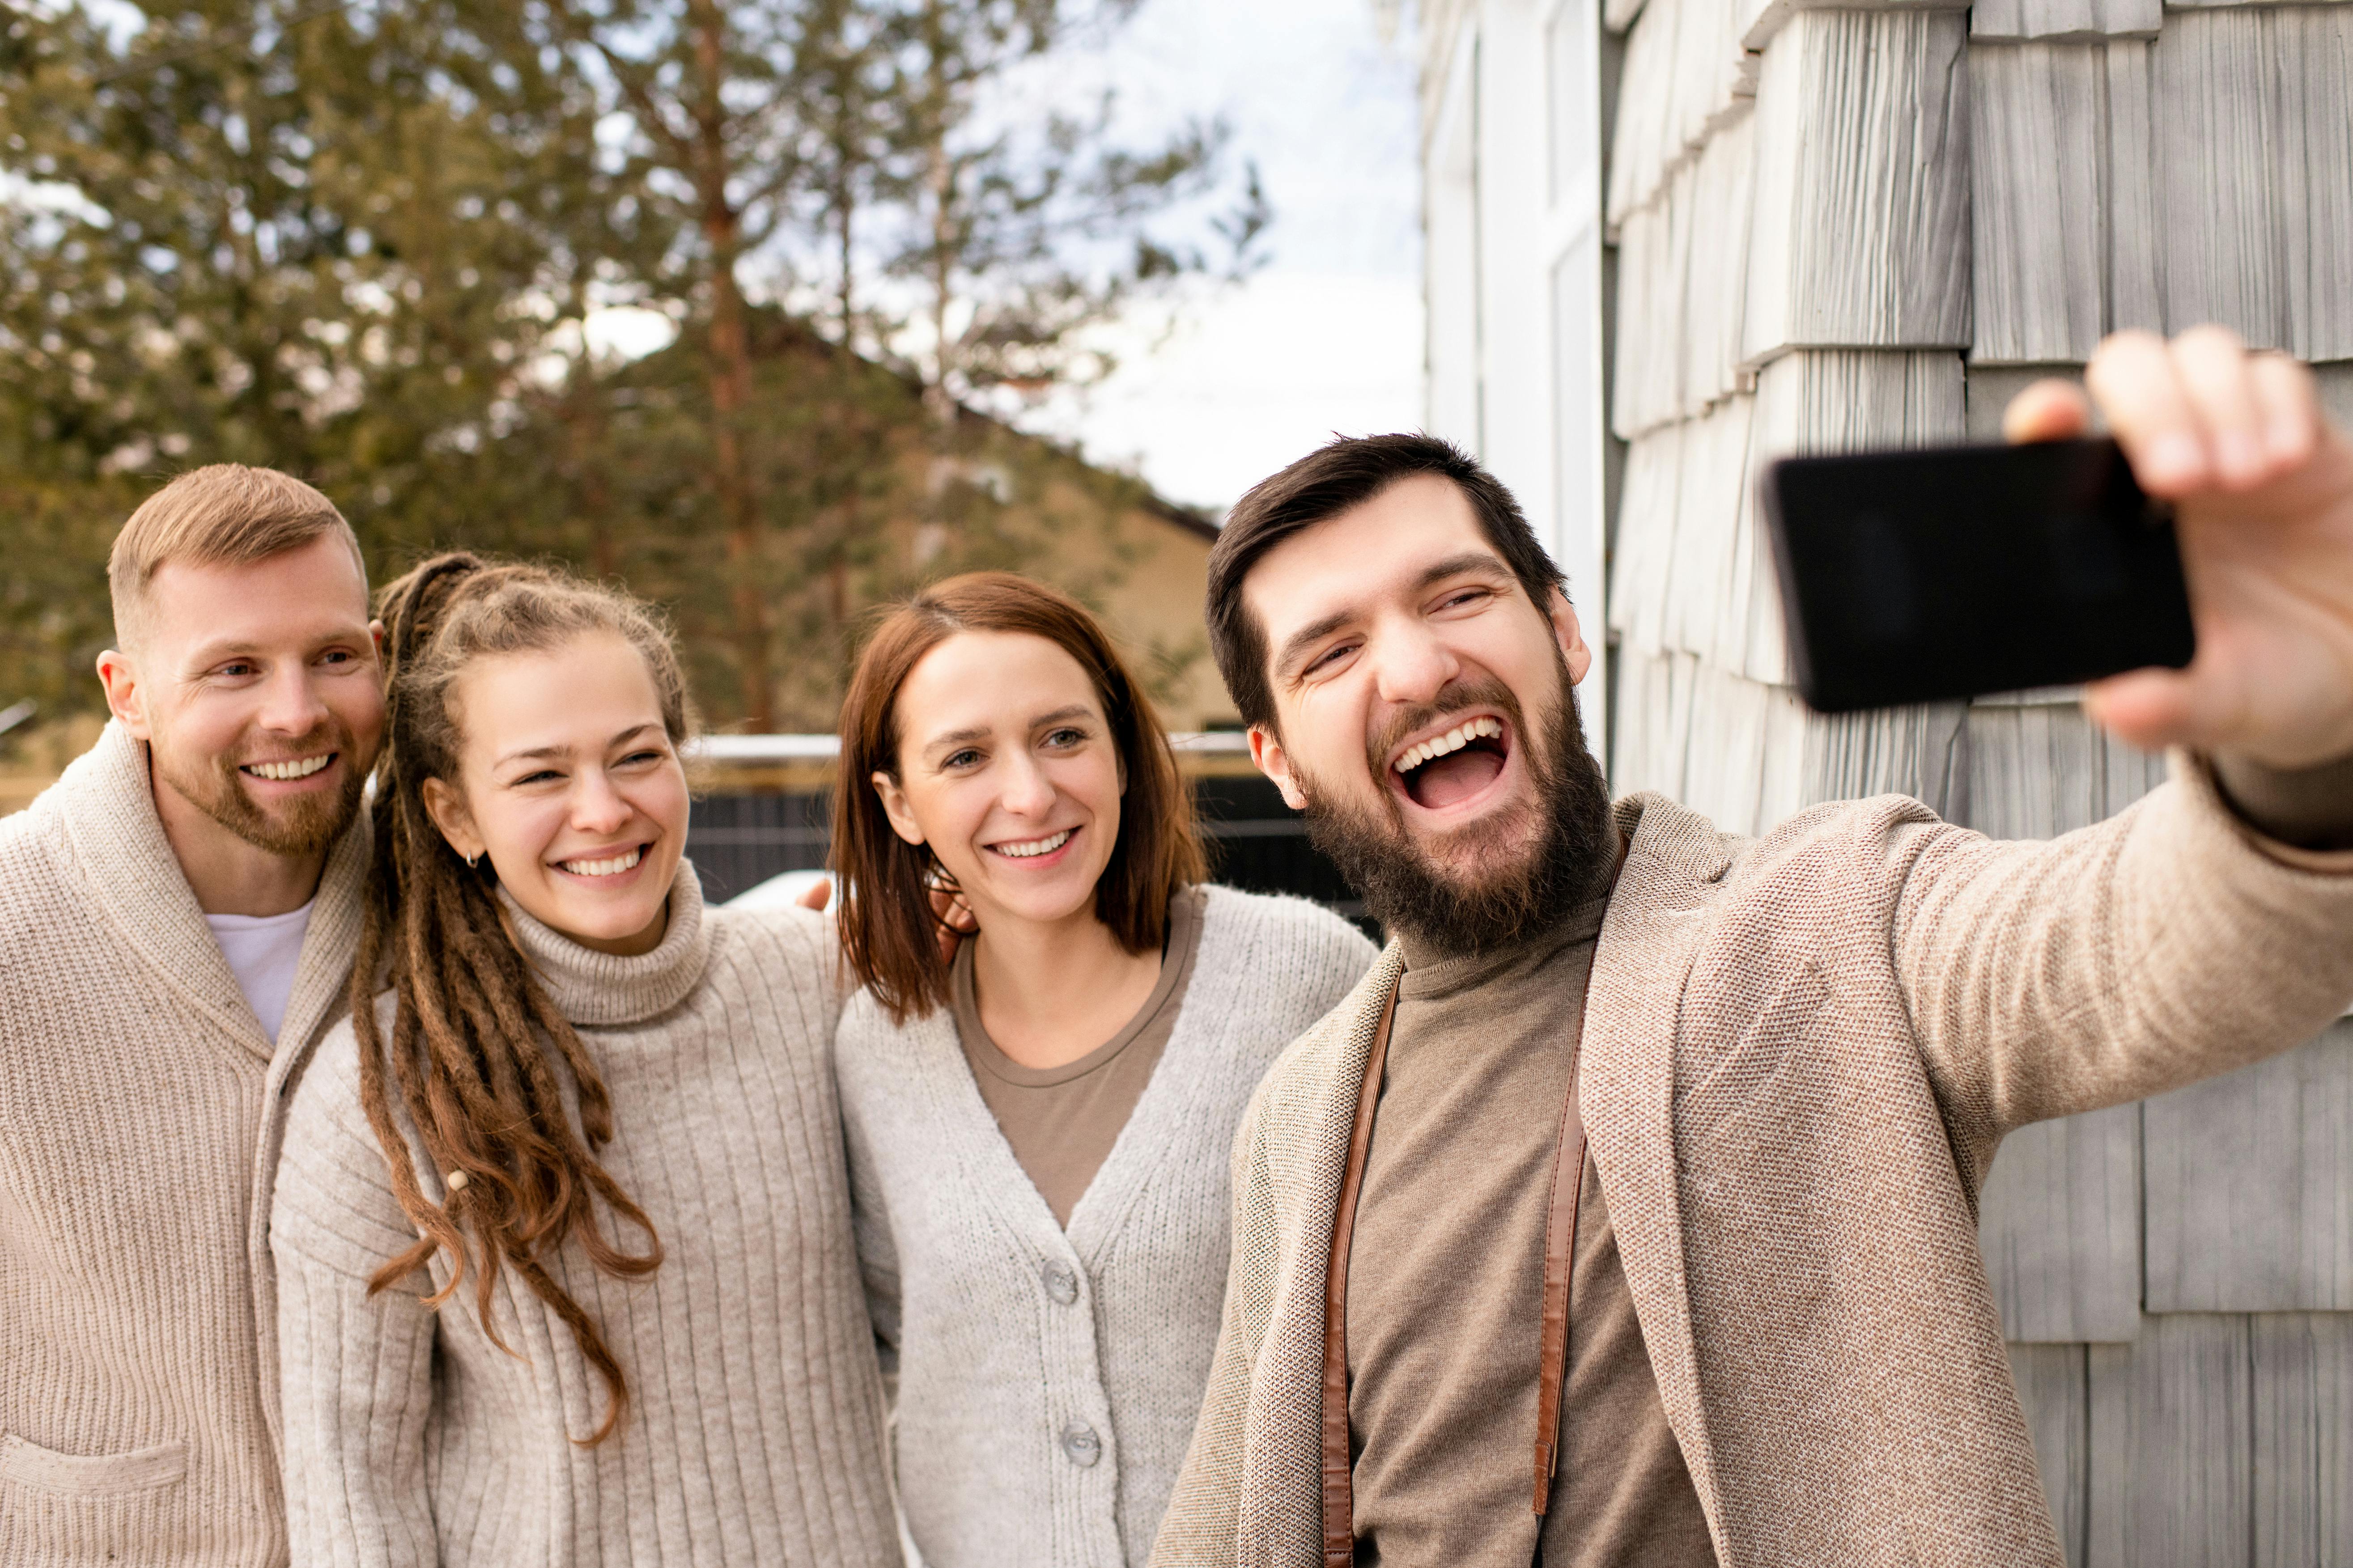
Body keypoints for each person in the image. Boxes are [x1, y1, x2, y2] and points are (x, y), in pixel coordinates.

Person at [1149, 327, 2353, 1568]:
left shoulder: (1822, 926)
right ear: (1280, 761)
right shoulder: (1299, 1120)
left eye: (1458, 595)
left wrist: (2310, 751)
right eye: (1332, 651)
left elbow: (2130, 948)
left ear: (1562, 631)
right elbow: (1224, 1521)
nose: (1413, 665)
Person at [269, 555, 897, 1565]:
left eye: (637, 756)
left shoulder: (818, 985)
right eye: (540, 774)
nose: (603, 810)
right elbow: (350, 1477)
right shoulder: (379, 1089)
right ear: (454, 814)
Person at [830, 572, 1377, 1568]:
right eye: (963, 756)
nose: (1030, 793)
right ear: (899, 803)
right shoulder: (877, 1048)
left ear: (1123, 753)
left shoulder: (1303, 977)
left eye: (1063, 735)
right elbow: (896, 1341)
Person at [0, 466, 381, 1565]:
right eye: (234, 668)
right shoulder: (14, 931)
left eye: (333, 655)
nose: (296, 710)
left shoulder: (444, 905)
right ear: (127, 691)